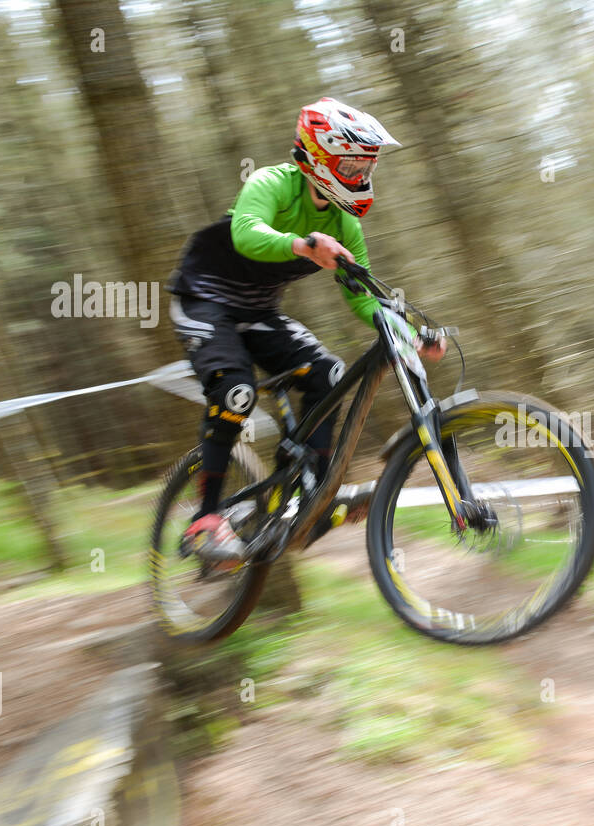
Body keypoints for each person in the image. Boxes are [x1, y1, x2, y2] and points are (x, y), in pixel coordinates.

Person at [167, 96, 443, 563]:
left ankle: (306, 494)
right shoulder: (271, 182)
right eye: (352, 164)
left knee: (330, 378)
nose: (360, 175)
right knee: (236, 393)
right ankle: (204, 521)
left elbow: (363, 296)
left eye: (366, 166)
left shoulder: (344, 222)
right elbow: (246, 232)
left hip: (257, 314)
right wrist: (303, 244)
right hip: (205, 302)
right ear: (318, 155)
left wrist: (408, 333)